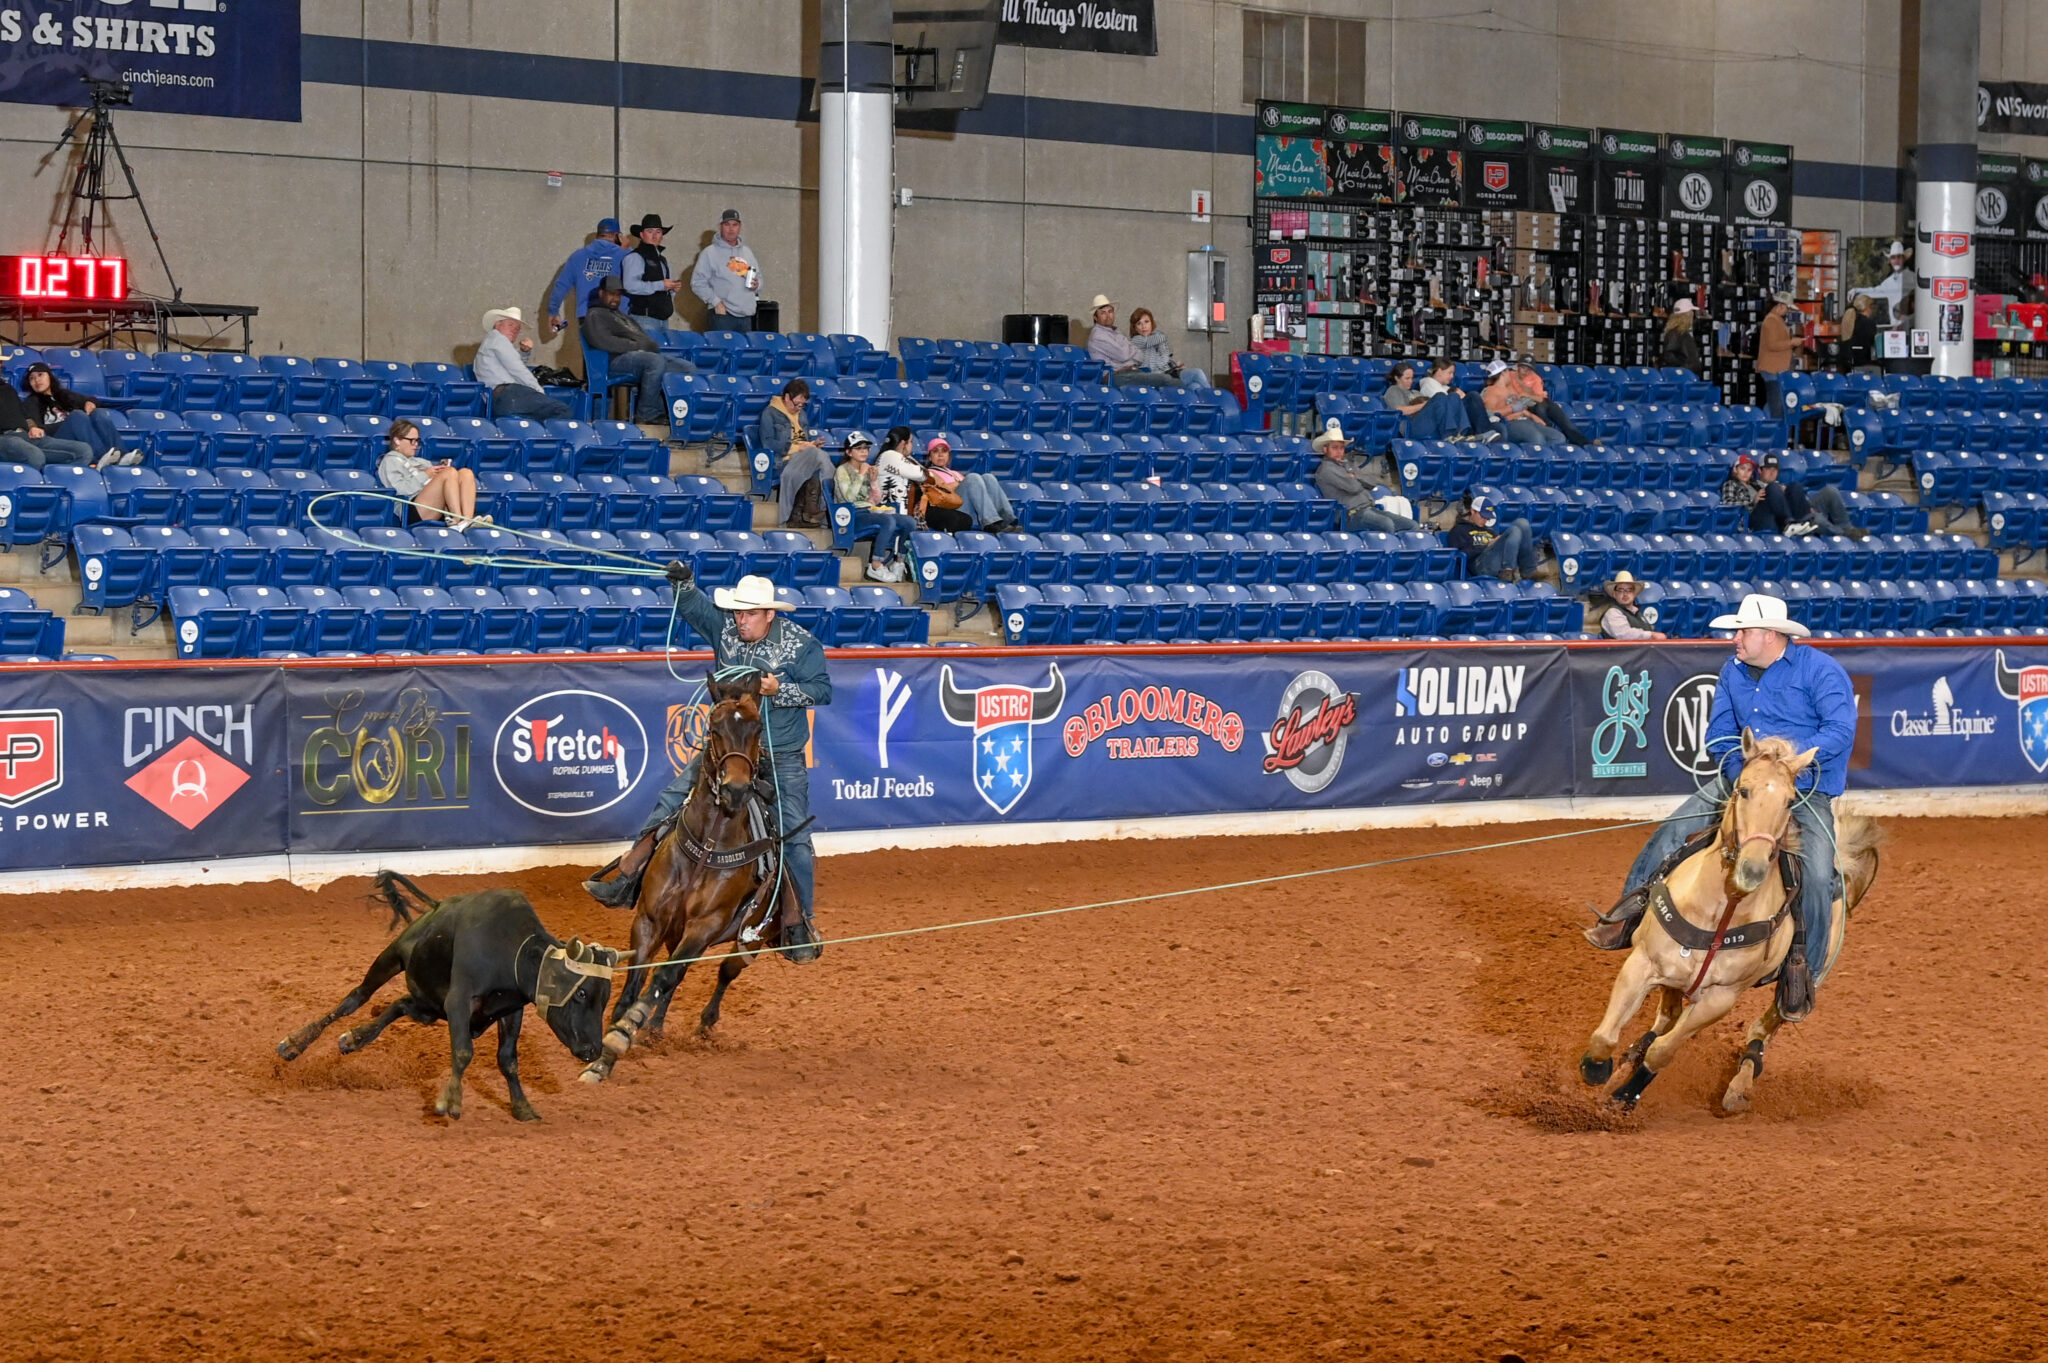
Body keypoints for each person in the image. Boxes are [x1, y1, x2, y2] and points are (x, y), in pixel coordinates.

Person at [1589, 593, 1854, 1023]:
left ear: (1770, 635)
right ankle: (1630, 912)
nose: (1735, 638)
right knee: (1673, 831)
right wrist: (1741, 772)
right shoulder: (1733, 671)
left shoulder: (1821, 672)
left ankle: (1801, 968)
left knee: (1820, 872)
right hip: (1743, 783)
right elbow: (1720, 731)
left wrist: (1782, 760)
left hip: (1803, 789)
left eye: (1743, 631)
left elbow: (1840, 729)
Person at [583, 565, 828, 962]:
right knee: (672, 799)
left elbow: (822, 690)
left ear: (770, 614)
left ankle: (800, 921)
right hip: (728, 752)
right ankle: (628, 876)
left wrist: (781, 688)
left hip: (778, 756)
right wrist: (683, 582)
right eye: (737, 613)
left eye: (749, 614)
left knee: (794, 836)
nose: (740, 620)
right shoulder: (727, 629)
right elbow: (693, 607)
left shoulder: (802, 646)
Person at [582, 275, 698, 423]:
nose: (615, 299)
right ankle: (646, 414)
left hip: (639, 358)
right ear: (601, 293)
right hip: (612, 362)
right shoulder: (595, 314)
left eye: (618, 295)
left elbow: (650, 342)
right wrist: (637, 345)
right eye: (611, 294)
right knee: (654, 361)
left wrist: (644, 345)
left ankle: (669, 412)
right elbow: (604, 342)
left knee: (686, 368)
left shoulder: (623, 317)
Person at [1310, 421, 1424, 533]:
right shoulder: (1326, 469)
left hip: (1369, 509)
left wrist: (1354, 477)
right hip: (1350, 515)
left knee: (1411, 525)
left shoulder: (1347, 464)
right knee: (1386, 524)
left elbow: (1372, 483)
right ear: (1325, 449)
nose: (1339, 451)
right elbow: (1354, 487)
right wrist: (1357, 478)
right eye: (1334, 447)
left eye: (1341, 447)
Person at [831, 431, 915, 581]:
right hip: (851, 514)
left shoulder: (867, 468)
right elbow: (848, 498)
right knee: (887, 521)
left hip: (868, 510)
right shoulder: (842, 470)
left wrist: (873, 482)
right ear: (849, 452)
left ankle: (899, 562)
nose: (864, 451)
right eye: (859, 448)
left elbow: (876, 500)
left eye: (866, 448)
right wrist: (861, 476)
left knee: (909, 522)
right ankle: (876, 565)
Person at [376, 418, 486, 530]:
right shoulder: (389, 461)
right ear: (397, 441)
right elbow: (399, 490)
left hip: (434, 504)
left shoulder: (420, 461)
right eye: (411, 440)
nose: (415, 445)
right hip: (410, 508)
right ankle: (457, 519)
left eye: (417, 440)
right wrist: (425, 475)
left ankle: (467, 519)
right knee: (449, 473)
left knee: (466, 473)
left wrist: (438, 472)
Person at [19, 362, 125, 468]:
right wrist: (69, 422)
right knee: (77, 416)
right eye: (32, 378)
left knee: (98, 413)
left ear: (49, 376)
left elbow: (92, 400)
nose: (37, 380)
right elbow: (38, 428)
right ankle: (100, 457)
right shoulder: (32, 401)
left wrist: (90, 403)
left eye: (40, 375)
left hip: (81, 434)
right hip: (57, 439)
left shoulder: (64, 394)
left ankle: (122, 456)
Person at [758, 378, 832, 528]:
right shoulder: (770, 413)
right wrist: (799, 449)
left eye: (802, 405)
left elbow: (804, 440)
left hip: (803, 456)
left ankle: (805, 513)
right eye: (797, 404)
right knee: (821, 458)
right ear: (786, 397)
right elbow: (768, 444)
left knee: (818, 459)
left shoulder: (802, 414)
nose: (799, 408)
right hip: (783, 459)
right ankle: (825, 511)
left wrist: (812, 444)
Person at [475, 306, 571, 420]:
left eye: (517, 328)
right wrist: (539, 391)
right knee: (562, 410)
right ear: (497, 324)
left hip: (499, 401)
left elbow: (510, 363)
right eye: (510, 325)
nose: (514, 330)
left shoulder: (491, 342)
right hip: (509, 395)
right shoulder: (499, 340)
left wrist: (524, 352)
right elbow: (518, 370)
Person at [1753, 453, 1868, 540]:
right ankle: (1842, 534)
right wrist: (1753, 501)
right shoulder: (1753, 486)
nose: (1772, 473)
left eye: (1774, 469)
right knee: (1814, 518)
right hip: (1775, 520)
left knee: (1828, 491)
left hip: (1794, 512)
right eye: (1768, 469)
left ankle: (1847, 527)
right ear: (1759, 470)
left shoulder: (1782, 486)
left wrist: (1804, 504)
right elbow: (1745, 511)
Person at [547, 217, 628, 332]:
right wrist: (627, 248)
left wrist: (553, 311)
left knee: (591, 350)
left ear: (598, 235)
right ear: (617, 236)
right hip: (617, 316)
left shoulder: (578, 256)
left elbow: (561, 286)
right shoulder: (626, 256)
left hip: (587, 316)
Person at [925, 437, 1018, 533]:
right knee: (973, 477)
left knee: (988, 477)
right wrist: (960, 484)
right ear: (930, 457)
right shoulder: (929, 473)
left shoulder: (955, 473)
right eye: (935, 451)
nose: (940, 455)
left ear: (948, 455)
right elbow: (939, 494)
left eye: (944, 451)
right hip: (952, 511)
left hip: (970, 510)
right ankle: (990, 522)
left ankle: (1007, 519)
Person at [690, 209, 762, 333]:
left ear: (740, 227)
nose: (731, 229)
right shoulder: (709, 253)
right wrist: (715, 302)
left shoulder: (747, 253)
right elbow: (697, 283)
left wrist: (757, 285)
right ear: (720, 227)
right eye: (727, 224)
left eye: (735, 225)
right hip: (722, 316)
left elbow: (759, 278)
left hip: (746, 316)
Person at [0, 380, 94, 470]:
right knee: (34, 455)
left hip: (26, 435)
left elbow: (25, 415)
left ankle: (57, 481)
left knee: (83, 450)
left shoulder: (8, 389)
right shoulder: (32, 400)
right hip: (4, 438)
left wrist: (33, 427)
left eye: (0, 363)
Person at [1445, 493, 1538, 582]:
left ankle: (1528, 572)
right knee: (1514, 530)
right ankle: (1508, 570)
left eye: (1487, 517)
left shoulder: (1489, 530)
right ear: (1473, 511)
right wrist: (1486, 546)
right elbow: (1459, 555)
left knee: (1522, 523)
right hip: (1479, 564)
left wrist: (1498, 542)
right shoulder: (1459, 530)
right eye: (1482, 516)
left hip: (1496, 560)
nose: (1485, 520)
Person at [1088, 296, 1179, 387]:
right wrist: (1129, 355)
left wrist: (1127, 356)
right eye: (1103, 313)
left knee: (1172, 380)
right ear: (1095, 317)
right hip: (1113, 376)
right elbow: (1123, 355)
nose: (1108, 316)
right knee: (1166, 380)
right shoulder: (1098, 335)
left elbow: (1140, 356)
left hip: (1130, 372)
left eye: (1110, 311)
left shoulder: (1116, 332)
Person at [621, 213, 685, 335]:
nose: (655, 235)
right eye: (650, 231)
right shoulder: (635, 257)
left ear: (662, 235)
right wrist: (661, 285)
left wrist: (672, 289)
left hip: (663, 320)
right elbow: (630, 286)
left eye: (658, 232)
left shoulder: (663, 260)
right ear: (641, 234)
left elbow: (664, 288)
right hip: (644, 319)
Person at [1510, 363, 1598, 446]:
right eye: (1523, 368)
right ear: (1517, 366)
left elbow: (1539, 398)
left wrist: (1524, 391)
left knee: (1559, 415)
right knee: (1540, 409)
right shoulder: (1510, 375)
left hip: (1535, 401)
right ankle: (1552, 437)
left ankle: (1585, 443)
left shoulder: (1534, 377)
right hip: (1521, 404)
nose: (1526, 372)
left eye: (1529, 369)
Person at [1482, 364, 1564, 445]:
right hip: (1509, 424)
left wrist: (1532, 416)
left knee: (1558, 437)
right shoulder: (1491, 391)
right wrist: (1511, 409)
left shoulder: (1510, 389)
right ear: (1503, 373)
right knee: (1537, 438)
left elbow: (1521, 408)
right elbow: (1490, 415)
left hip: (1526, 421)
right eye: (1508, 371)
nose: (1511, 374)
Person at [1128, 307, 1208, 387]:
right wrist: (1162, 336)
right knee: (1197, 374)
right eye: (1139, 323)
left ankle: (1213, 397)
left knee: (1195, 385)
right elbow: (1159, 339)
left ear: (1151, 323)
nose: (1143, 326)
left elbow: (1165, 358)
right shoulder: (1135, 340)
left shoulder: (1157, 337)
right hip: (1155, 377)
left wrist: (1174, 365)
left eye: (1146, 322)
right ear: (1135, 328)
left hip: (1169, 373)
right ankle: (1214, 397)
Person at [1850, 240, 1915, 331]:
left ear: (1904, 259)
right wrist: (1858, 290)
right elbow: (1875, 291)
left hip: (1911, 325)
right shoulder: (1889, 281)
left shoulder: (1912, 278)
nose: (1896, 260)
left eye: (1898, 257)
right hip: (1896, 327)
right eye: (1893, 257)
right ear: (1890, 260)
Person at [1590, 570, 1668, 640]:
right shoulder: (1612, 613)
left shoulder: (1638, 613)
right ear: (1614, 594)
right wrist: (1651, 635)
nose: (1625, 594)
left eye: (1629, 590)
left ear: (1634, 594)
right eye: (1620, 590)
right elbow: (1624, 634)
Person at [874, 426, 926, 520]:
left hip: (902, 509)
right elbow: (922, 475)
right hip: (890, 509)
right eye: (910, 442)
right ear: (903, 443)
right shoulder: (890, 455)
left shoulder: (901, 457)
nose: (912, 445)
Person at [1756, 292, 1799, 375]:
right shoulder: (1771, 320)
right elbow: (1772, 345)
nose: (1788, 311)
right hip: (1772, 369)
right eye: (1788, 308)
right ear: (1781, 305)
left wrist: (1792, 343)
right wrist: (1791, 342)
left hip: (1776, 369)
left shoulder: (1777, 319)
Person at [1661, 298, 1703, 374]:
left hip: (1679, 376)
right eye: (1691, 312)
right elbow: (1691, 361)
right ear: (1688, 315)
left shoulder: (1672, 333)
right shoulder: (1682, 334)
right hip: (1685, 377)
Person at [1845, 295, 1877, 370]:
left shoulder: (1848, 319)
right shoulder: (1868, 323)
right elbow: (1871, 342)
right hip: (1863, 361)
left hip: (1847, 360)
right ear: (1868, 308)